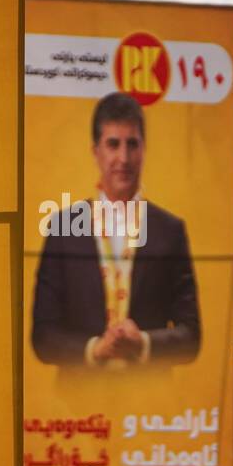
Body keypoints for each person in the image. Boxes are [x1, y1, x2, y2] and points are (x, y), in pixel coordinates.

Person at [31, 92, 200, 369]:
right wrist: (94, 350)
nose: (124, 157)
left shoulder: (170, 230)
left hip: (150, 405)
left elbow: (191, 337)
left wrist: (144, 343)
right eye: (113, 144)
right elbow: (43, 336)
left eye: (132, 144)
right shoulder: (63, 228)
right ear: (95, 151)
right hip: (75, 404)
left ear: (144, 149)